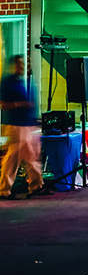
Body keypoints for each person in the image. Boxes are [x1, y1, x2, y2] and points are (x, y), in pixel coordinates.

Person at [0, 55, 44, 199]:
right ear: (12, 65)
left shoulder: (23, 81)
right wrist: (20, 104)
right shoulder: (7, 82)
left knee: (30, 157)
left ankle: (36, 186)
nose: (22, 67)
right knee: (14, 158)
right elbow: (3, 105)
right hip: (16, 126)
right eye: (19, 64)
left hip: (27, 124)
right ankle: (4, 189)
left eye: (23, 64)